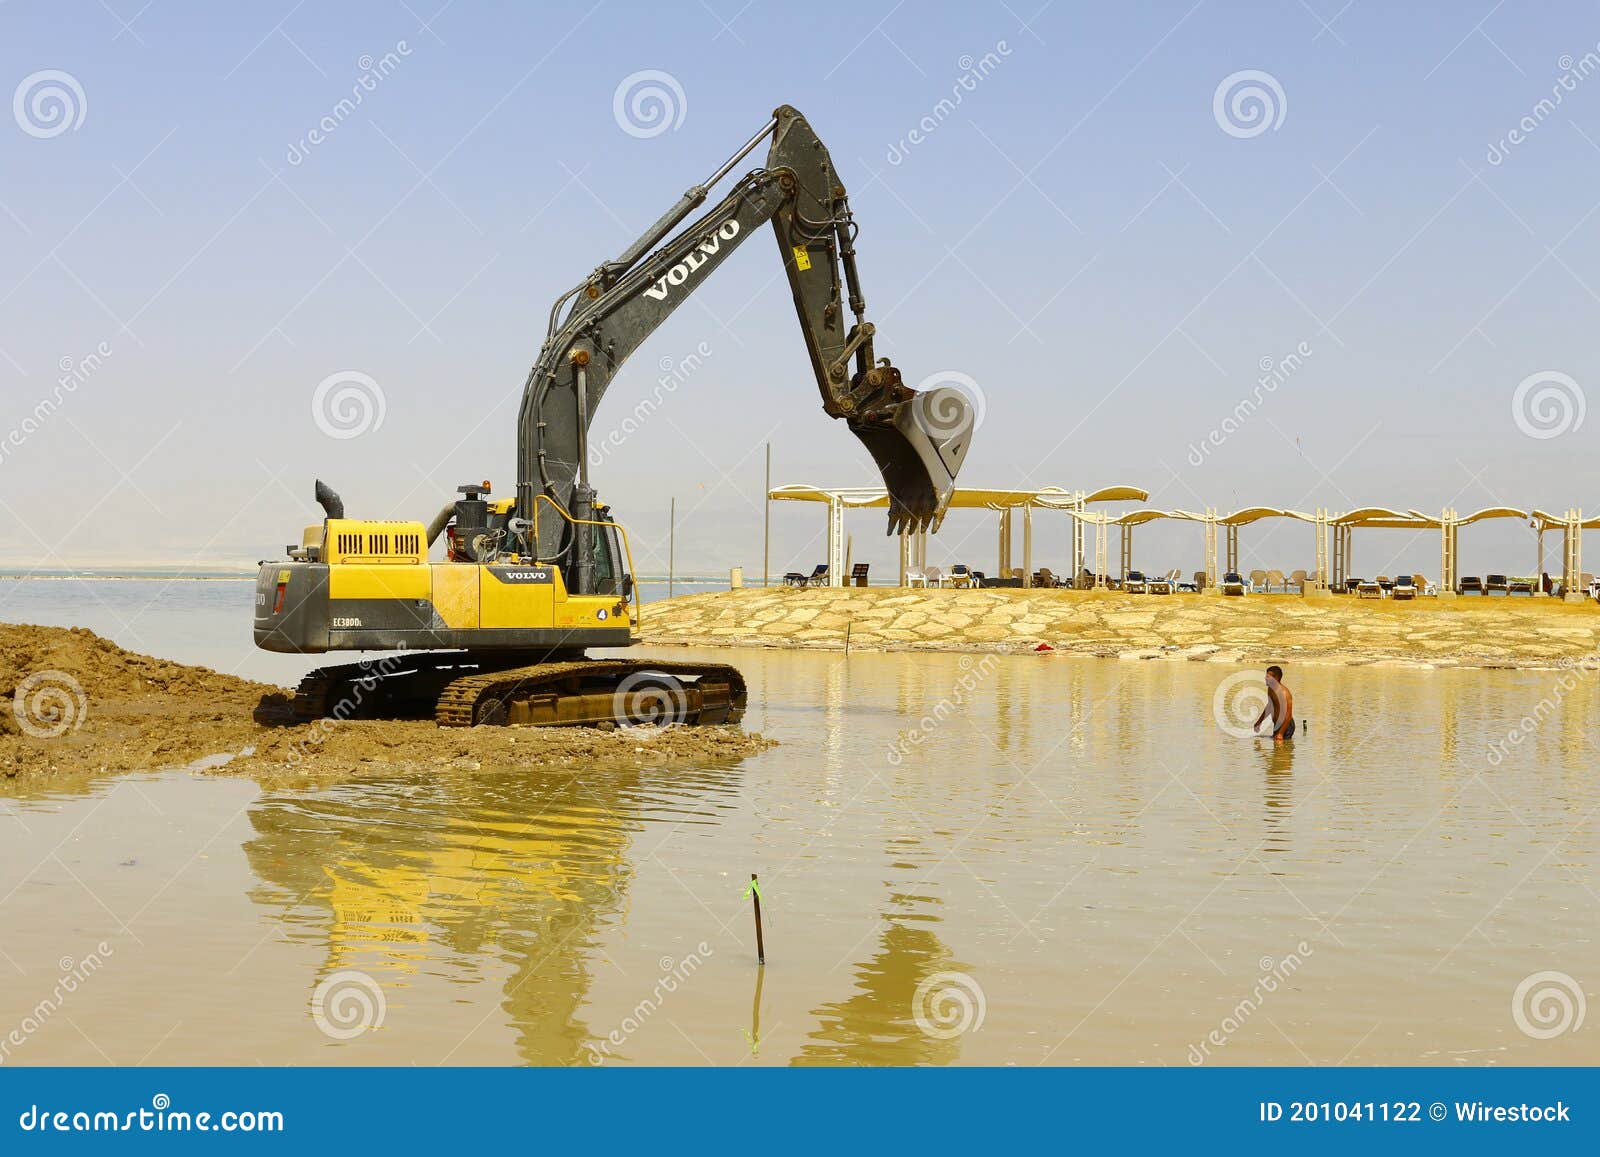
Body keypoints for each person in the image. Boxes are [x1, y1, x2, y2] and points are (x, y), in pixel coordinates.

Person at [1252, 664, 1295, 741]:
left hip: (1286, 726)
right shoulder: (1271, 689)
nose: (1265, 678)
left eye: (1268, 677)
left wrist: (1281, 733)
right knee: (1276, 751)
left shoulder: (1284, 693)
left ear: (1276, 678)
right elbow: (1269, 707)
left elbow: (1288, 716)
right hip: (1277, 725)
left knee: (1282, 751)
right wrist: (1259, 722)